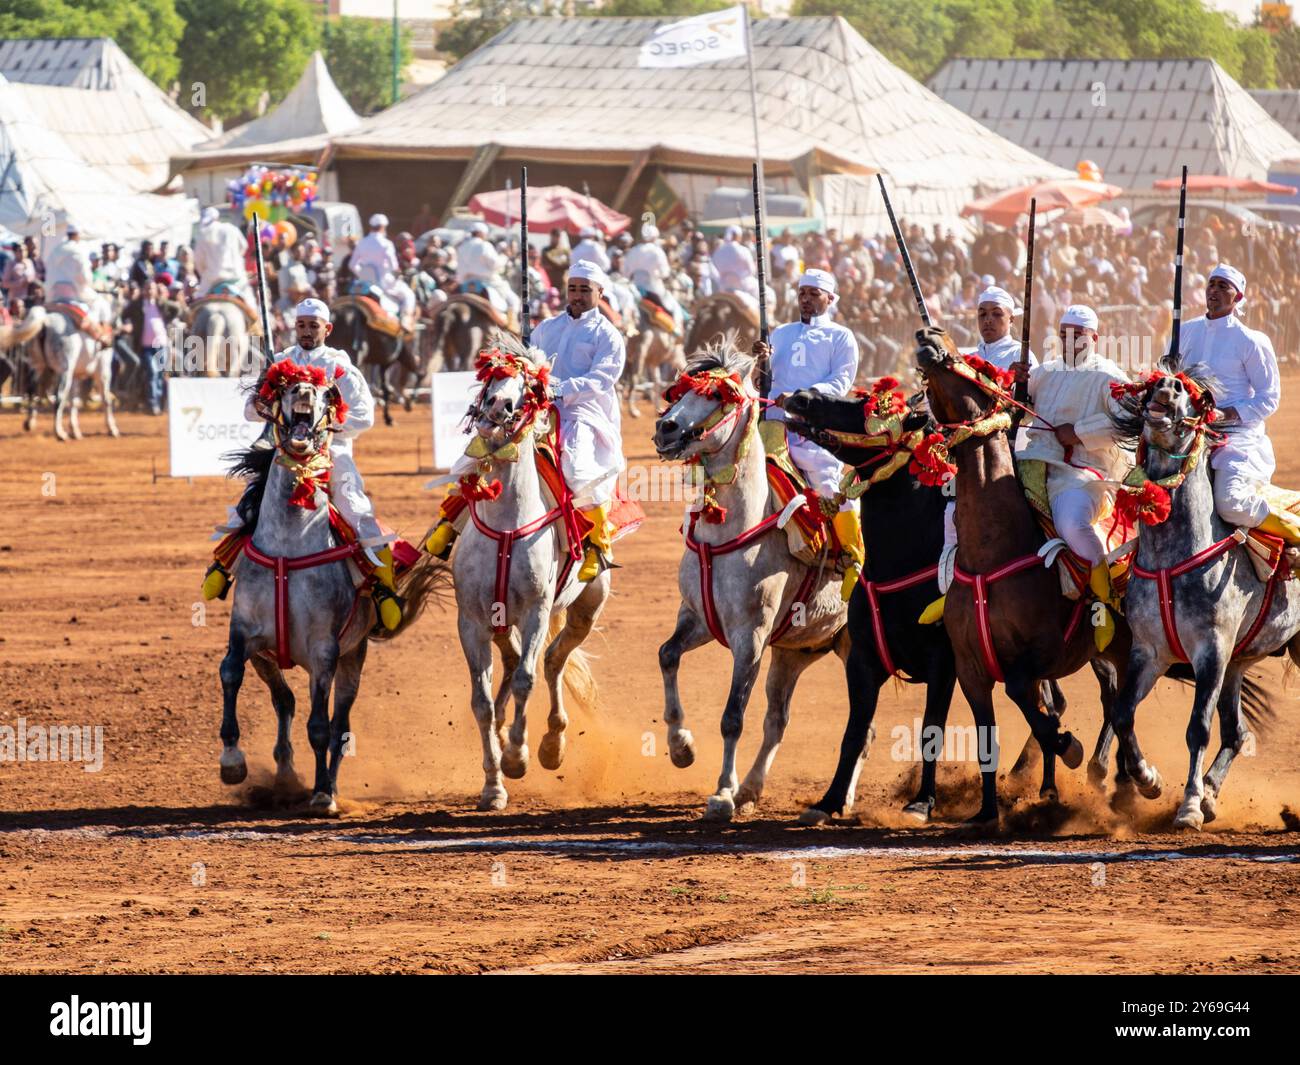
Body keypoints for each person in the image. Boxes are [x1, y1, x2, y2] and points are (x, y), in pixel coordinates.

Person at [201, 299, 404, 631]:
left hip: (331, 451)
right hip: (283, 452)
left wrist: (327, 425)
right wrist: (267, 405)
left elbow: (364, 416)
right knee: (250, 503)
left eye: (314, 326)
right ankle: (224, 566)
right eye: (302, 325)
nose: (307, 332)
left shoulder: (340, 367)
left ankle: (382, 587)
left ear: (327, 329)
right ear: (295, 328)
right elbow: (250, 411)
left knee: (356, 508)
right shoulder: (281, 361)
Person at [425, 261, 626, 581]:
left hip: (582, 413)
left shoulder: (608, 336)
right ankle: (450, 523)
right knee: (480, 449)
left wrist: (557, 390)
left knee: (577, 468)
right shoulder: (547, 327)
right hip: (537, 408)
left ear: (600, 293)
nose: (577, 295)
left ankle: (596, 545)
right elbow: (528, 365)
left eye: (584, 290)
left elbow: (600, 381)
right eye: (573, 288)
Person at [1018, 305, 1130, 647]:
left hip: (1084, 472)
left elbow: (1128, 426)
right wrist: (1016, 384)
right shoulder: (1045, 372)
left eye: (1078, 334)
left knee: (1072, 523)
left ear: (1094, 338)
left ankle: (1104, 602)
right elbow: (1018, 407)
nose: (1070, 339)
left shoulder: (1110, 376)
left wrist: (1079, 431)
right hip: (1034, 464)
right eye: (1064, 332)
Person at [752, 268, 864, 601]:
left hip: (814, 429)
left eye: (814, 293)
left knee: (831, 488)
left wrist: (802, 397)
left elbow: (840, 382)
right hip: (772, 426)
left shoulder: (841, 337)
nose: (806, 298)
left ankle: (852, 556)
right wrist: (761, 362)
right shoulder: (781, 334)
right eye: (802, 292)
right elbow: (761, 383)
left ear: (831, 299)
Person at [1177, 264, 1297, 544]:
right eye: (1211, 284)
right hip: (1191, 433)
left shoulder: (1252, 341)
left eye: (1223, 286)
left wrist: (1227, 413)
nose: (1214, 290)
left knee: (1229, 503)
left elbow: (1269, 397)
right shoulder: (1184, 332)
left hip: (1237, 437)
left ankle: (1295, 534)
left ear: (1238, 297)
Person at [349, 213, 417, 333]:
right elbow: (394, 267)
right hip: (384, 282)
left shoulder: (362, 243)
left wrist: (363, 275)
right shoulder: (386, 244)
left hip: (365, 283)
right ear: (382, 227)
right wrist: (398, 273)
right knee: (409, 295)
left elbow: (352, 265)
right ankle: (405, 319)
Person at [623, 223, 686, 335]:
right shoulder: (657, 251)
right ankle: (677, 332)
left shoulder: (633, 251)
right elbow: (665, 273)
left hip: (633, 288)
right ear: (654, 237)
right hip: (653, 289)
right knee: (675, 306)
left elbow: (626, 273)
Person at [454, 221, 520, 320]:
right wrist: (505, 256)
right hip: (487, 282)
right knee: (514, 301)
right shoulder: (484, 245)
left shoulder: (461, 247)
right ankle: (512, 327)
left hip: (464, 284)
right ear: (481, 233)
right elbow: (495, 264)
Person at [193, 206, 252, 301]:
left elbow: (199, 262)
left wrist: (206, 272)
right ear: (217, 218)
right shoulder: (232, 229)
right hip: (236, 276)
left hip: (211, 280)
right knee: (251, 305)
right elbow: (244, 246)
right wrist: (235, 259)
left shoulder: (202, 235)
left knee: (197, 303)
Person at [712, 225, 759, 300]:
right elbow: (752, 271)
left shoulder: (717, 252)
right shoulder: (743, 250)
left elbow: (714, 271)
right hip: (744, 286)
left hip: (723, 286)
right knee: (770, 294)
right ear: (736, 236)